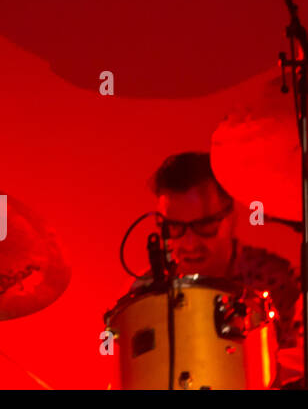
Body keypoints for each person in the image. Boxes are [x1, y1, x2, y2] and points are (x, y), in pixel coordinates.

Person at [128, 151, 302, 386]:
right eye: (175, 228)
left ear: (231, 217)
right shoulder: (145, 294)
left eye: (205, 225)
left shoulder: (277, 281)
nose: (189, 243)